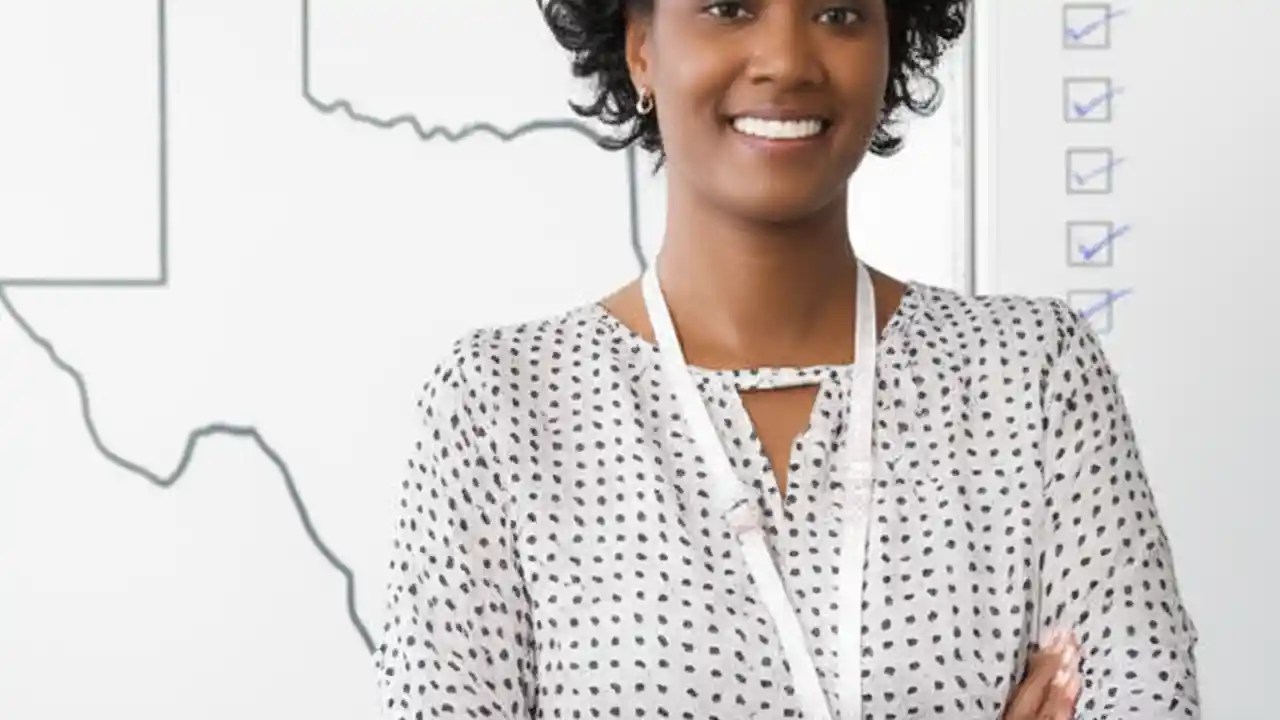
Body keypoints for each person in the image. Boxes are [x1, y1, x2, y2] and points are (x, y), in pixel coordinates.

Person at [372, 0, 1201, 718]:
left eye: (840, 13)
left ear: (891, 42)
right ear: (641, 46)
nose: (786, 59)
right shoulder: (498, 407)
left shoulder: (1033, 374)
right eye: (731, 7)